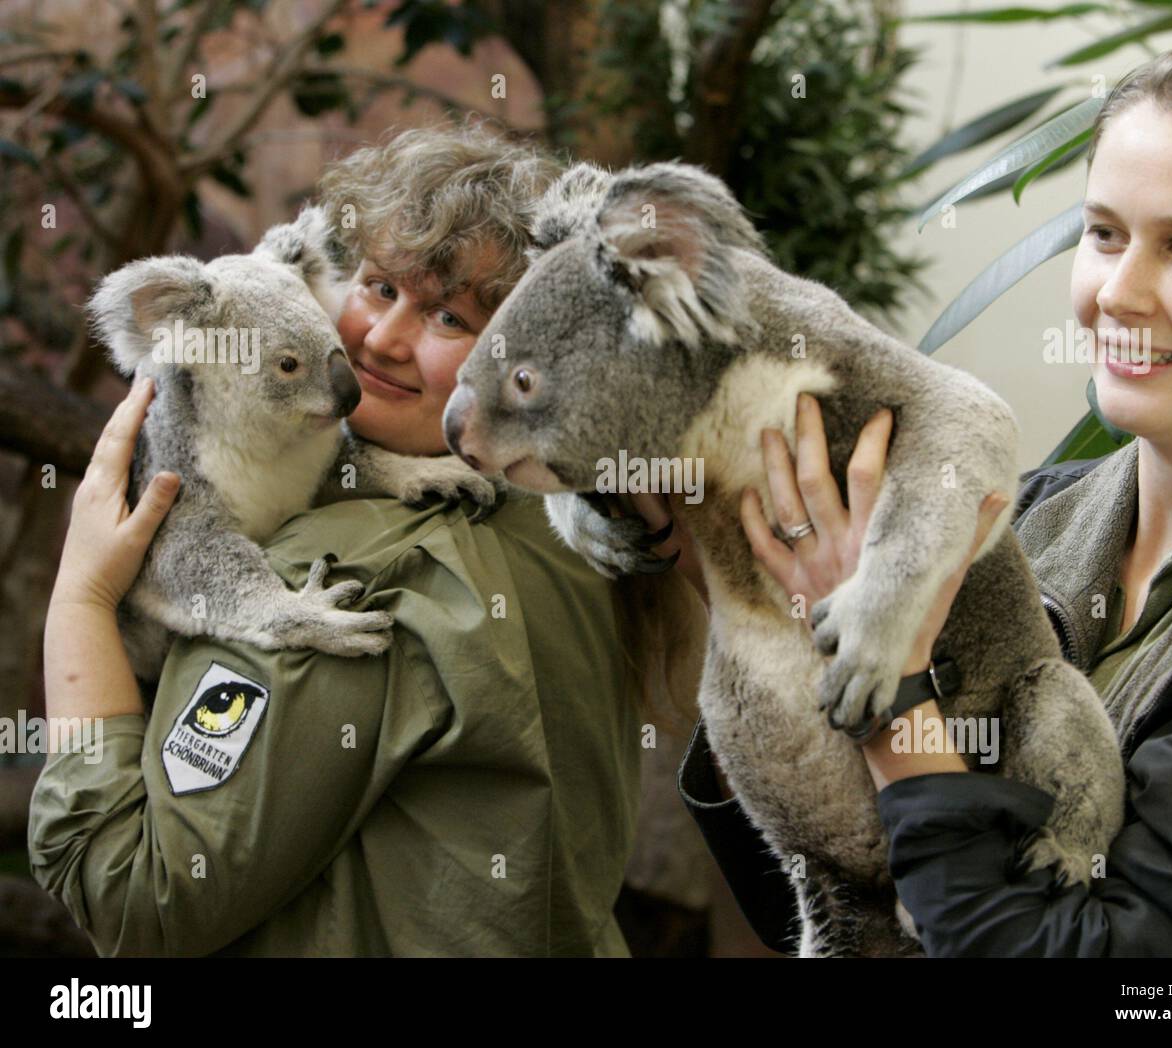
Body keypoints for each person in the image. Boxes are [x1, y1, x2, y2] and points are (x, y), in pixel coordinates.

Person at [670, 40, 1172, 956]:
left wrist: (888, 687)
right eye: (1103, 233)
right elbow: (827, 902)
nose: (1117, 293)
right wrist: (754, 591)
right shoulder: (1021, 516)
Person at [27, 124, 685, 957]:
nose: (379, 339)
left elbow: (135, 896)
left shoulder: (351, 578)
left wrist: (80, 603)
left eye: (448, 315)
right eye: (377, 287)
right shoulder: (567, 517)